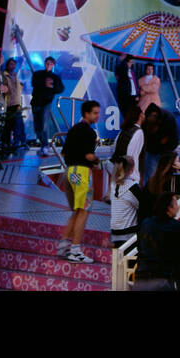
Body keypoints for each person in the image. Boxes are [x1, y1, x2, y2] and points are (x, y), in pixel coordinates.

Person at [58, 99, 100, 264]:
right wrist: (97, 160)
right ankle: (75, 250)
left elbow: (64, 153)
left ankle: (63, 246)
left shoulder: (73, 130)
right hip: (82, 173)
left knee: (77, 210)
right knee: (83, 211)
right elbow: (89, 156)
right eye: (95, 113)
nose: (97, 116)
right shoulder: (90, 133)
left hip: (70, 172)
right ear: (87, 113)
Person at [134, 192, 180, 290]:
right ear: (168, 208)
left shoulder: (146, 223)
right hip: (162, 279)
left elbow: (140, 246)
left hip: (141, 277)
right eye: (175, 204)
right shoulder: (178, 227)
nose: (177, 206)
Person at [30, 56, 64, 156]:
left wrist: (52, 86)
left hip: (46, 103)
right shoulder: (38, 74)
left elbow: (60, 88)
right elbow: (34, 83)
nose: (48, 65)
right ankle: (43, 145)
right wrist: (45, 83)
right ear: (45, 63)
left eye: (50, 63)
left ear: (53, 65)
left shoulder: (55, 77)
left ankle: (45, 146)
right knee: (37, 127)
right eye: (47, 63)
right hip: (36, 102)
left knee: (44, 125)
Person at [142, 103, 179, 185]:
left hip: (168, 151)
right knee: (150, 176)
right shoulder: (145, 121)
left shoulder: (168, 119)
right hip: (152, 150)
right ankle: (148, 193)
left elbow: (172, 141)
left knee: (165, 179)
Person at [109, 156, 140, 250]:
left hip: (115, 232)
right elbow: (143, 205)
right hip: (128, 233)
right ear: (132, 169)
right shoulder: (132, 187)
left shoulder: (113, 185)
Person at [0, 58, 25, 154]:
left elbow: (17, 89)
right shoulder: (4, 75)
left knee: (15, 124)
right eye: (11, 64)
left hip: (16, 103)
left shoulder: (15, 75)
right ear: (7, 65)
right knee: (8, 124)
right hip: (9, 103)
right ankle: (5, 142)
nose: (13, 66)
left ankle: (13, 142)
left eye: (14, 64)